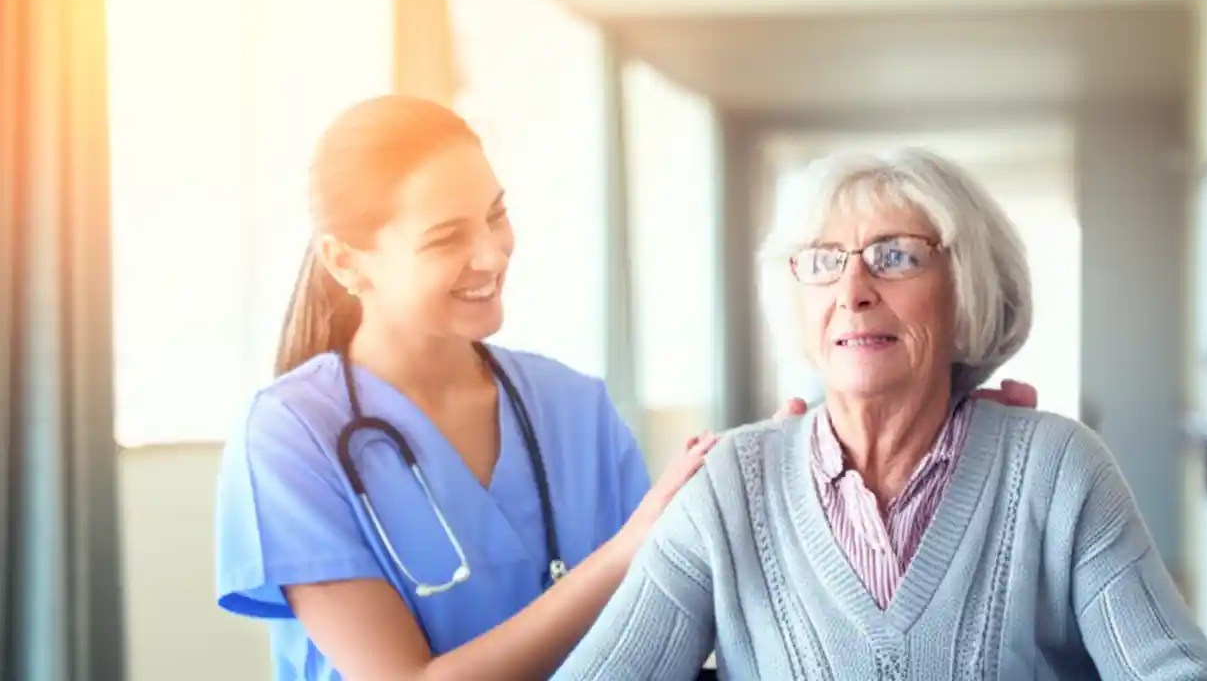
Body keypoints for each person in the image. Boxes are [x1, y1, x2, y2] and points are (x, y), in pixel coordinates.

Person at [213, 95, 1036, 680]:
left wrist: (924, 451)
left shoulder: (570, 407)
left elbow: (671, 627)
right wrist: (629, 548)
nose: (492, 255)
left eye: (495, 216)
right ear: (346, 263)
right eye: (446, 238)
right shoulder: (292, 434)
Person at [554, 149, 1207, 680]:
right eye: (823, 261)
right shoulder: (729, 484)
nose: (853, 291)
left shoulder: (1058, 469)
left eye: (896, 256)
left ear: (967, 289)